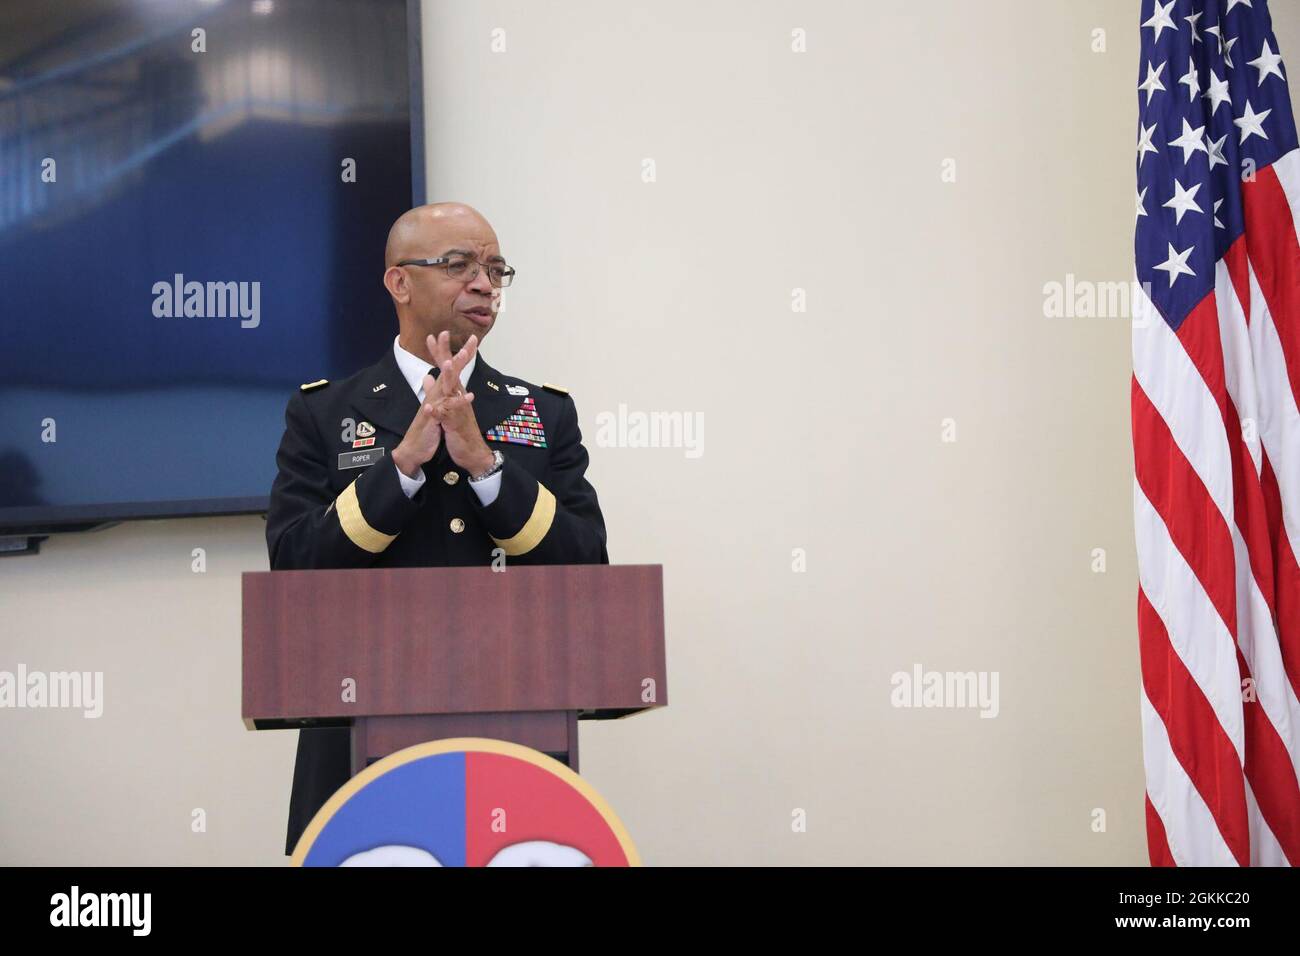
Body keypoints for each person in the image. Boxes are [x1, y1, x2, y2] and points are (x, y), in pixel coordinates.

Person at [265, 202, 608, 855]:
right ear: (399, 283)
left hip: (515, 731)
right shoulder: (324, 412)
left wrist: (485, 466)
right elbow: (294, 565)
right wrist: (400, 467)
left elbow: (587, 567)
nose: (485, 284)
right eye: (459, 266)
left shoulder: (543, 413)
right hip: (358, 732)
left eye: (495, 269)